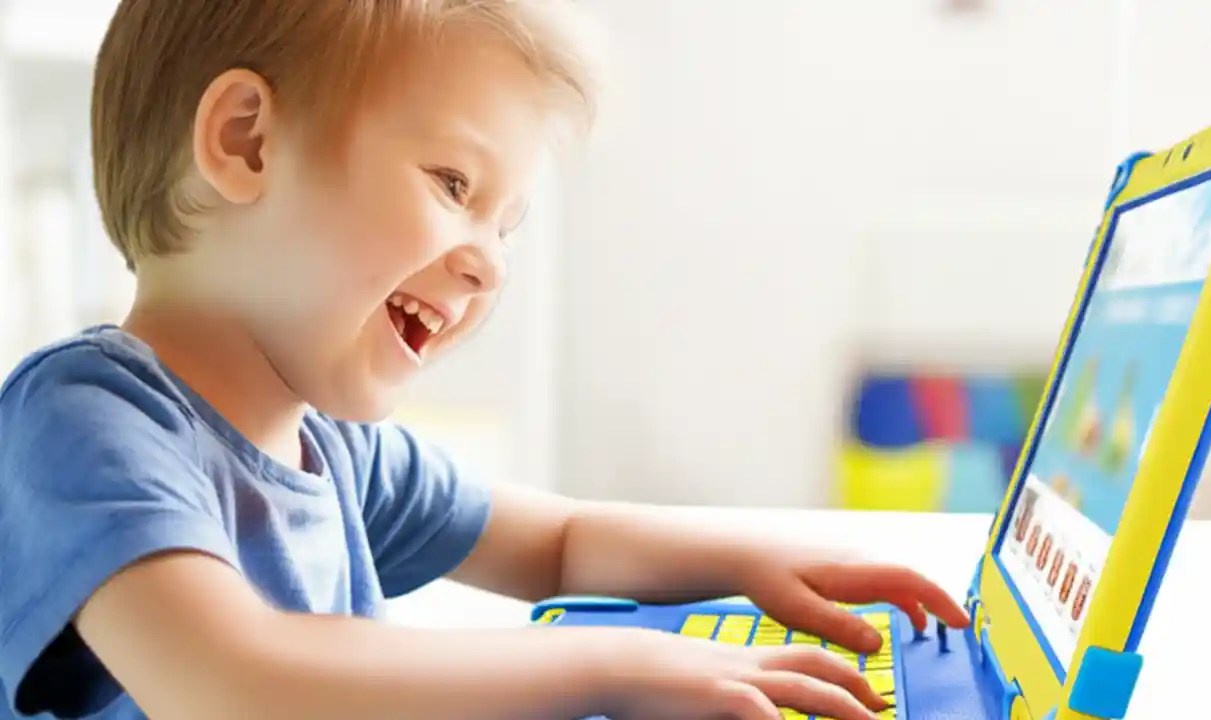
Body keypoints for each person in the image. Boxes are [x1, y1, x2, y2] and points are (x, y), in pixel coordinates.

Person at [0, 2, 968, 718]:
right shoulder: (86, 423)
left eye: (505, 225)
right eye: (452, 183)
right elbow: (234, 681)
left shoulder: (327, 449)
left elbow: (560, 545)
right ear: (247, 141)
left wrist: (755, 563)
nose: (488, 262)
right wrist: (615, 667)